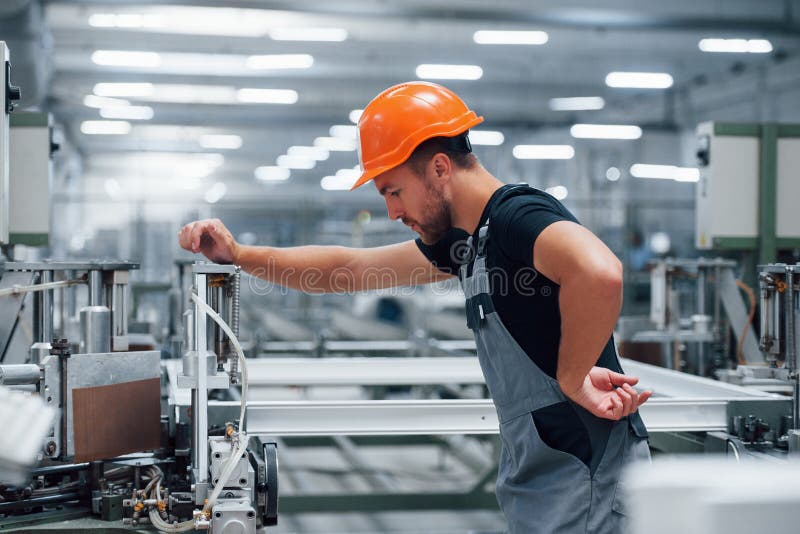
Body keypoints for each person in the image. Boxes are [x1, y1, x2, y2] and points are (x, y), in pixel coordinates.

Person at [179, 81, 652, 533]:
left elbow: (600, 273)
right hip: (544, 473)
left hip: (583, 475)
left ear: (440, 168)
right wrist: (238, 255)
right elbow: (349, 269)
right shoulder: (472, 244)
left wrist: (573, 375)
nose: (392, 211)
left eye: (394, 191)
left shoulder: (516, 217)